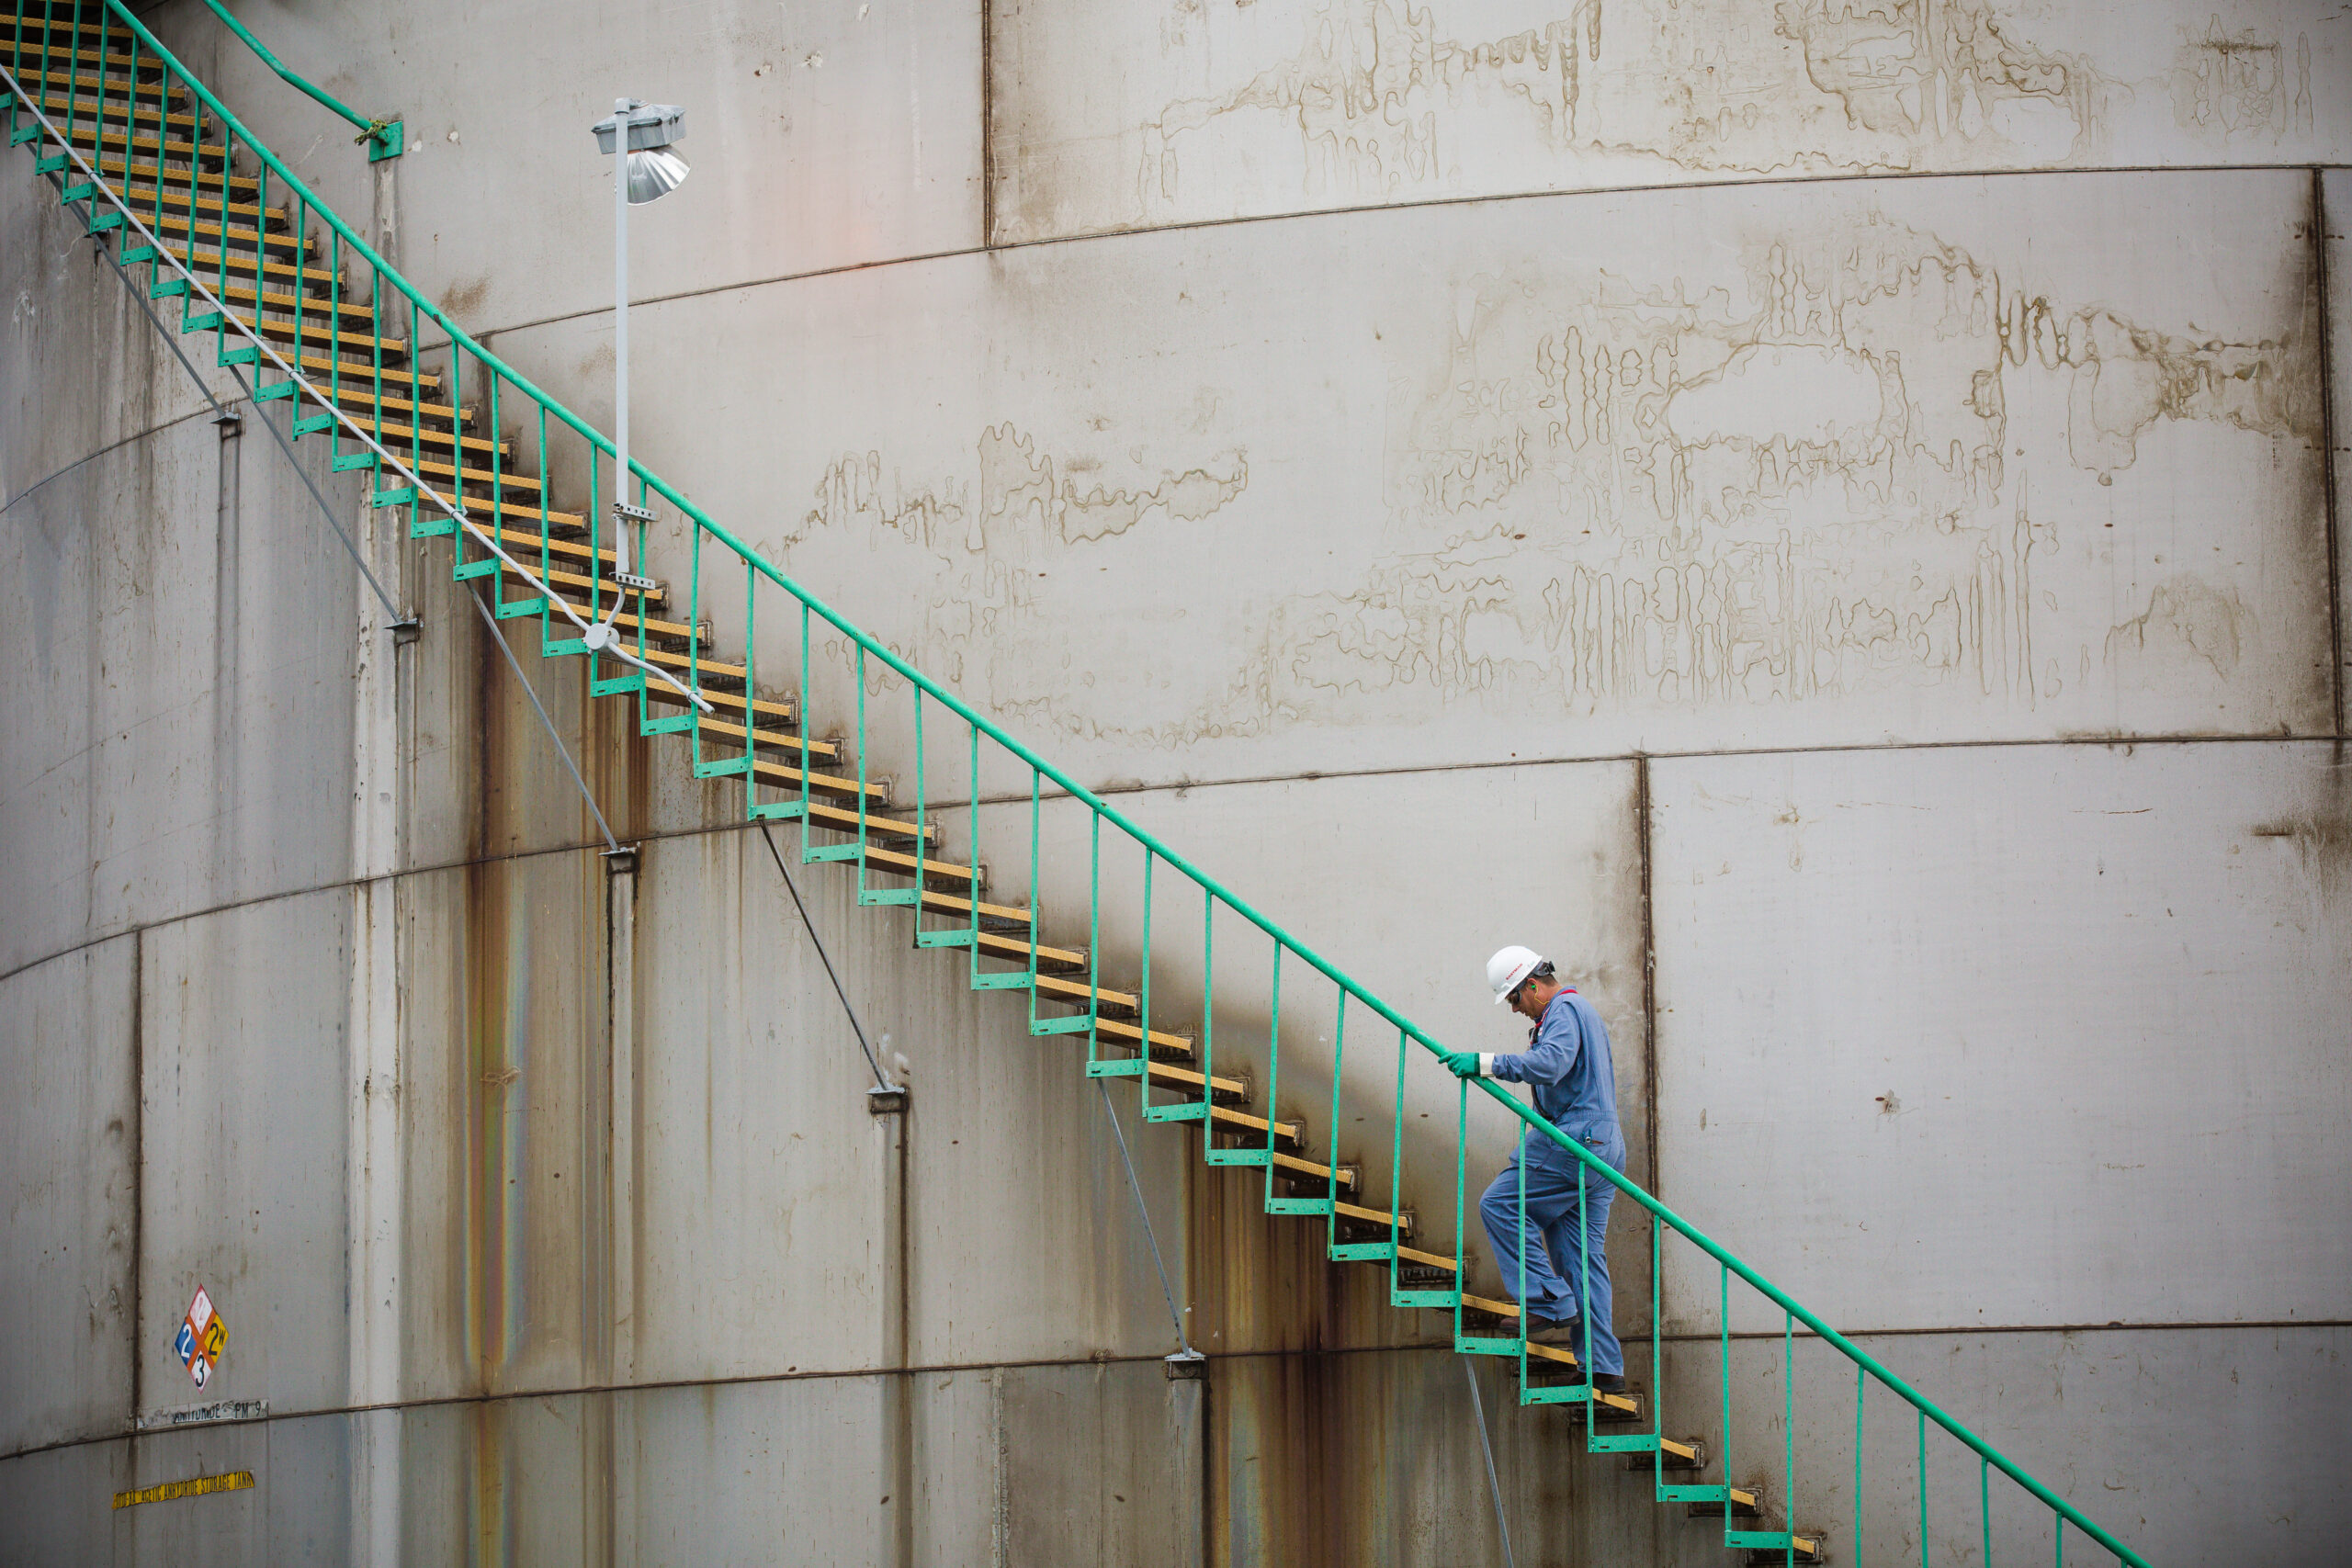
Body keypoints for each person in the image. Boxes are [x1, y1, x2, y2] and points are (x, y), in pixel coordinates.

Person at [1436, 945, 1627, 1393]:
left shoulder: (1562, 1009)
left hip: (1575, 1139)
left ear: (1533, 986)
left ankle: (1549, 1301)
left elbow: (1551, 1063)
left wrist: (1486, 1063)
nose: (1516, 1010)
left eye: (1515, 1000)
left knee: (1501, 1204)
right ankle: (1602, 1369)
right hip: (1603, 1145)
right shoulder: (1580, 1012)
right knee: (1580, 1258)